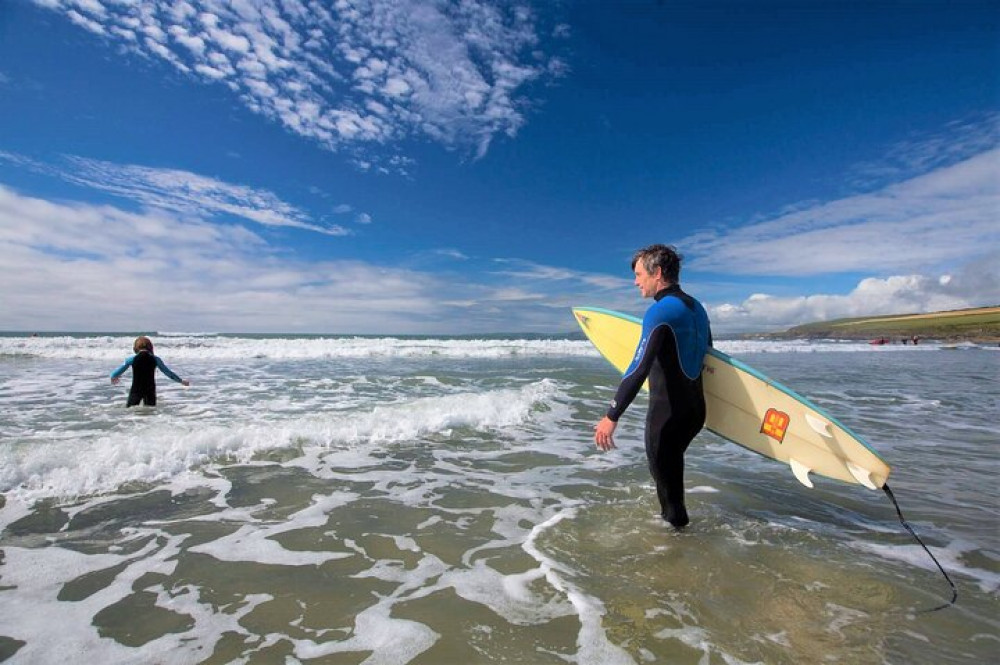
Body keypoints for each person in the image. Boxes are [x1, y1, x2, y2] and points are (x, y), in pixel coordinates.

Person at [593, 244, 713, 529]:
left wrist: (612, 415)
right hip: (696, 412)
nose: (636, 282)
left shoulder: (660, 311)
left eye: (638, 275)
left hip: (667, 416)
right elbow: (708, 355)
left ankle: (676, 550)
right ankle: (675, 533)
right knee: (672, 475)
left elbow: (638, 367)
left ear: (656, 273)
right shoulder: (697, 308)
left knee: (670, 493)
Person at [110, 336, 190, 407]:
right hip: (150, 389)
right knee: (150, 412)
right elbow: (168, 372)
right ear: (150, 347)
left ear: (135, 348)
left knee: (131, 410)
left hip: (136, 389)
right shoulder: (156, 359)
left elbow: (115, 373)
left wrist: (114, 377)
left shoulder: (131, 359)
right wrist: (181, 381)